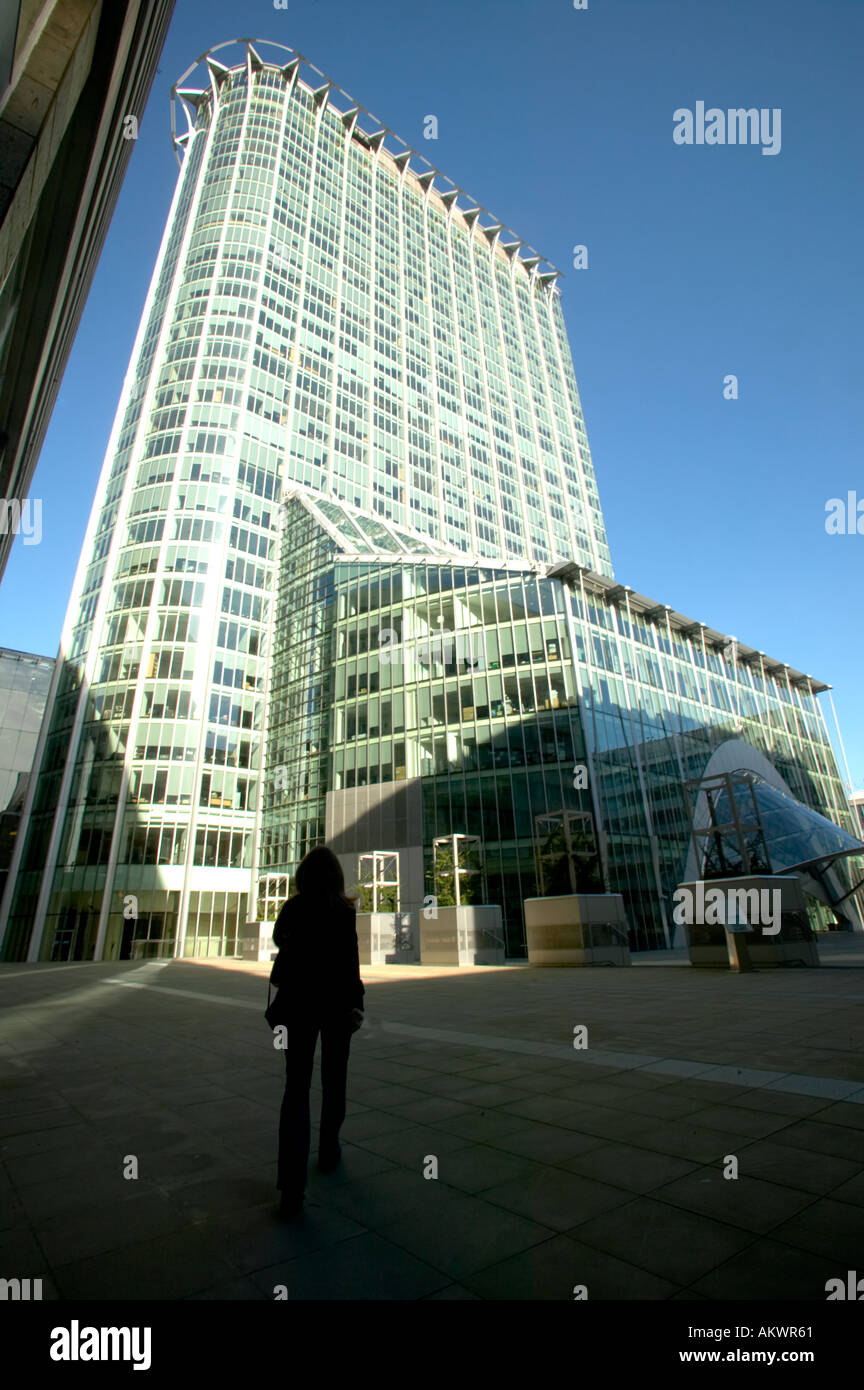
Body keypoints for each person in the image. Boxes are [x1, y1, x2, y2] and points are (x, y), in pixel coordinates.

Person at [270, 846, 365, 1218]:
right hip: (337, 1007)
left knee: (296, 1088)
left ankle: (291, 1187)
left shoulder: (293, 909)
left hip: (298, 1007)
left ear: (302, 877)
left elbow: (280, 941)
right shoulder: (343, 912)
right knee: (334, 1079)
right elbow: (351, 963)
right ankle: (329, 1148)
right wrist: (357, 1003)